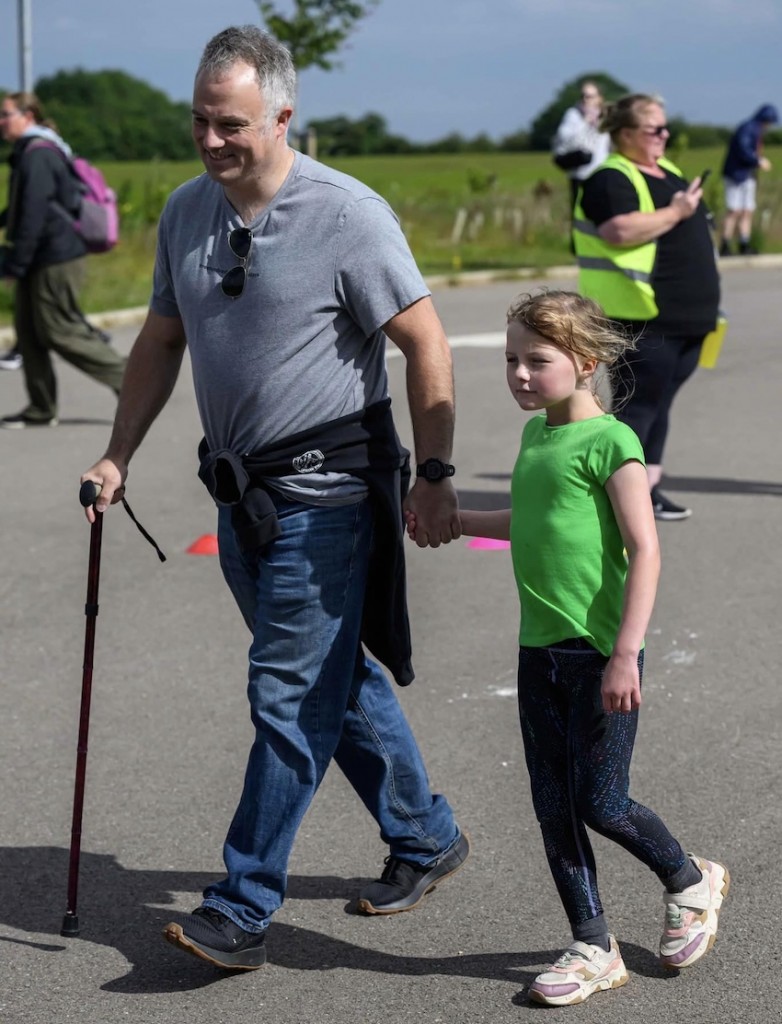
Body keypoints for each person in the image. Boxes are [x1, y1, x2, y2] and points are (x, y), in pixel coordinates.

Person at [79, 25, 469, 972]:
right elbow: (161, 339)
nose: (212, 140)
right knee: (333, 678)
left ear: (283, 116)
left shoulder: (347, 214)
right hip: (241, 493)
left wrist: (435, 475)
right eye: (201, 121)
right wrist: (118, 453)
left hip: (329, 494)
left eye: (233, 124)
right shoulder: (186, 211)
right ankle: (425, 833)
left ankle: (242, 905)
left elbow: (426, 342)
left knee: (287, 696)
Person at [408, 289, 728, 1007]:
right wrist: (457, 521)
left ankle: (689, 880)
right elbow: (534, 519)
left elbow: (645, 549)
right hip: (540, 651)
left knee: (603, 802)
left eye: (537, 360)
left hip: (599, 652)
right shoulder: (536, 437)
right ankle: (593, 944)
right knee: (553, 805)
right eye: (511, 359)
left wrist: (625, 654)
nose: (519, 374)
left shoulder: (612, 442)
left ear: (585, 362)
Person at [573, 93, 720, 521]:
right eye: (655, 129)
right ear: (625, 134)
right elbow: (619, 231)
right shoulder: (610, 179)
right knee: (638, 407)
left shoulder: (668, 170)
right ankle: (618, 499)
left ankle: (647, 489)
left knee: (660, 404)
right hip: (643, 316)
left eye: (665, 127)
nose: (664, 135)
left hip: (688, 315)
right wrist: (676, 212)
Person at [0, 92, 125, 425]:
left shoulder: (39, 155)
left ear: (28, 116)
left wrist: (16, 263)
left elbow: (34, 214)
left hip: (54, 257)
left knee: (59, 330)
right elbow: (21, 209)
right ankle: (41, 409)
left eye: (6, 114)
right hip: (40, 255)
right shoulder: (30, 152)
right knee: (28, 332)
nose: (1, 122)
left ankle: (129, 379)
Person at [719, 104, 779, 256]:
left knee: (747, 210)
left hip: (747, 175)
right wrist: (758, 161)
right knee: (734, 210)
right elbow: (743, 149)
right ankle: (725, 243)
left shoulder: (754, 130)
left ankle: (744, 242)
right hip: (736, 175)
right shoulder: (748, 129)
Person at [552, 81, 611, 210]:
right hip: (580, 173)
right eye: (583, 96)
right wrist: (585, 122)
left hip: (601, 171)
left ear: (599, 98)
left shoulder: (604, 116)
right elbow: (565, 139)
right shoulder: (573, 115)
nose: (585, 99)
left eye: (590, 96)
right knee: (580, 211)